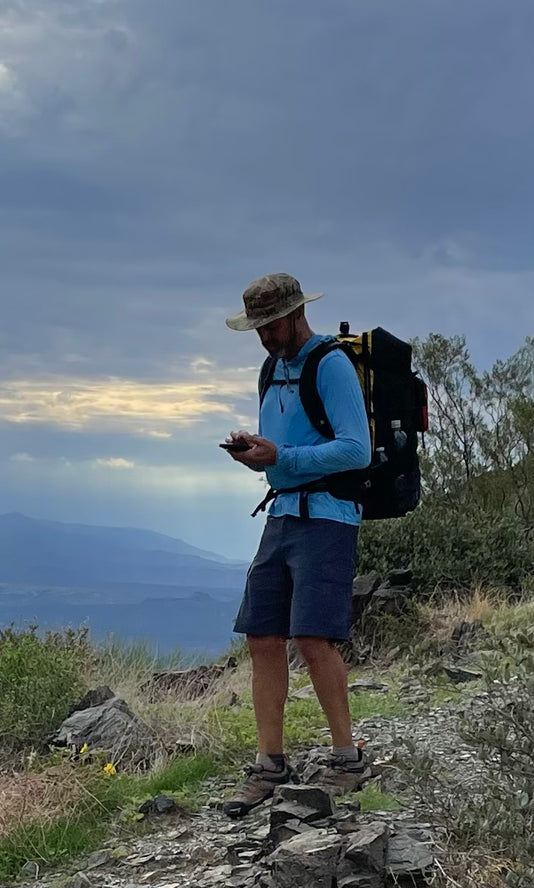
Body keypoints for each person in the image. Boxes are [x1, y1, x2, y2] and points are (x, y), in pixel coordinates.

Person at [221, 272, 372, 818]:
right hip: (282, 513)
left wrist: (280, 460)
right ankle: (270, 764)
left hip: (329, 515)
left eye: (268, 324)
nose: (262, 336)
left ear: (294, 314)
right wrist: (258, 452)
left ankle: (347, 758)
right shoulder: (272, 369)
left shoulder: (330, 364)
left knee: (314, 637)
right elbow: (286, 448)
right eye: (256, 327)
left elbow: (357, 450)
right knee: (262, 635)